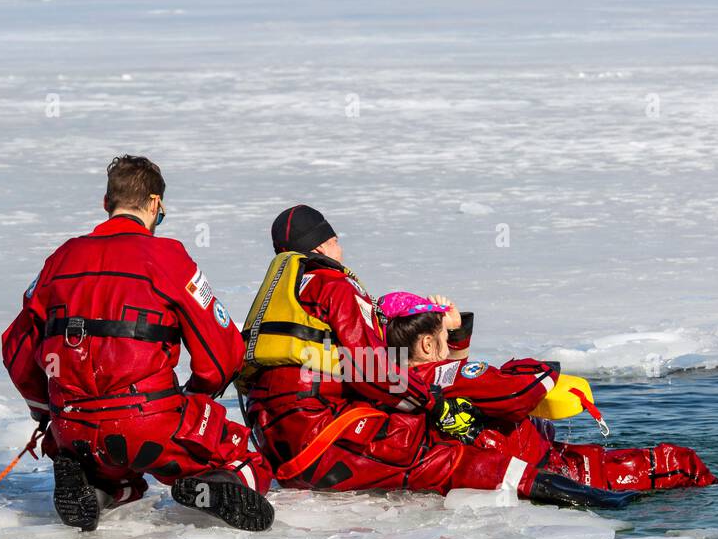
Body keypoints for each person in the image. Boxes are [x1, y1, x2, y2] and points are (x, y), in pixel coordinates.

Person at [238, 205, 634, 508]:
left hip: (278, 448)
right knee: (442, 458)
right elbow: (369, 368)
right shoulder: (331, 284)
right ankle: (593, 502)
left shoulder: (277, 297)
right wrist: (433, 404)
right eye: (337, 242)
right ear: (324, 244)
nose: (341, 251)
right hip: (323, 441)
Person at [1, 155, 274, 532]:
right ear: (155, 205)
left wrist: (44, 409)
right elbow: (222, 351)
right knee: (245, 458)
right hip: (150, 421)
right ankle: (216, 481)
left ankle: (96, 489)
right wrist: (198, 395)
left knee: (112, 468)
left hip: (73, 427)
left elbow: (16, 346)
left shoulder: (60, 259)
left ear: (106, 204)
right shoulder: (168, 258)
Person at [378, 291, 717, 492]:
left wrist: (451, 331)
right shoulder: (440, 374)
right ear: (425, 343)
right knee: (681, 462)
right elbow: (515, 395)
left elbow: (450, 379)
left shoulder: (393, 380)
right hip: (546, 468)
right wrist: (542, 369)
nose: (448, 342)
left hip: (531, 460)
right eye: (442, 336)